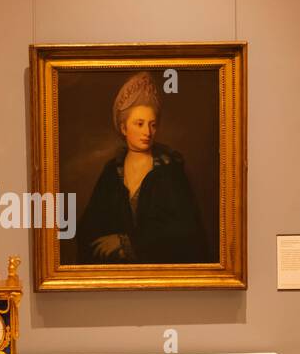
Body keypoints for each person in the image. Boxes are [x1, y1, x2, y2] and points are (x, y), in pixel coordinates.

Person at [76, 71, 210, 264]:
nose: (147, 132)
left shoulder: (170, 171)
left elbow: (188, 236)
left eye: (153, 125)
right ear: (124, 128)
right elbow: (88, 231)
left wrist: (127, 243)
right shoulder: (112, 172)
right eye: (139, 124)